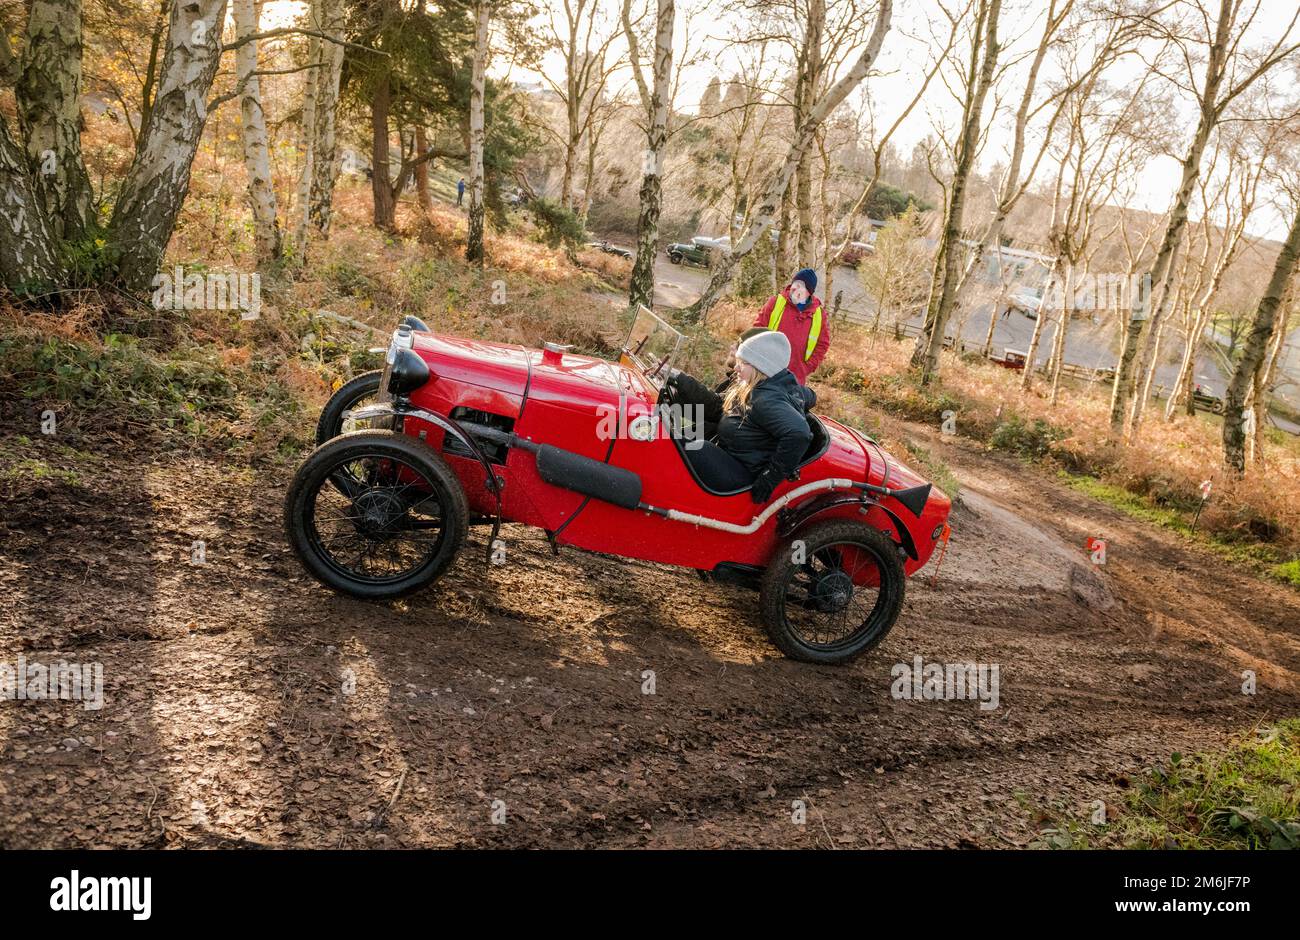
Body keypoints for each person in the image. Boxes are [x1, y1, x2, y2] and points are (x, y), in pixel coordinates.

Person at [679, 330, 814, 503]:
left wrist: (769, 478)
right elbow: (717, 407)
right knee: (677, 437)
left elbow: (799, 434)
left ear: (761, 367)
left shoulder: (766, 400)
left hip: (742, 472)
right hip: (731, 457)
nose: (736, 367)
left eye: (743, 363)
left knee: (686, 446)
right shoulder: (758, 386)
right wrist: (679, 379)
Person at [754, 268, 829, 385]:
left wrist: (806, 367)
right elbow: (757, 329)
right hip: (765, 369)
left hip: (795, 378)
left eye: (802, 286)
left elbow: (822, 344)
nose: (796, 289)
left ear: (809, 292)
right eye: (796, 284)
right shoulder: (775, 302)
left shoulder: (819, 314)